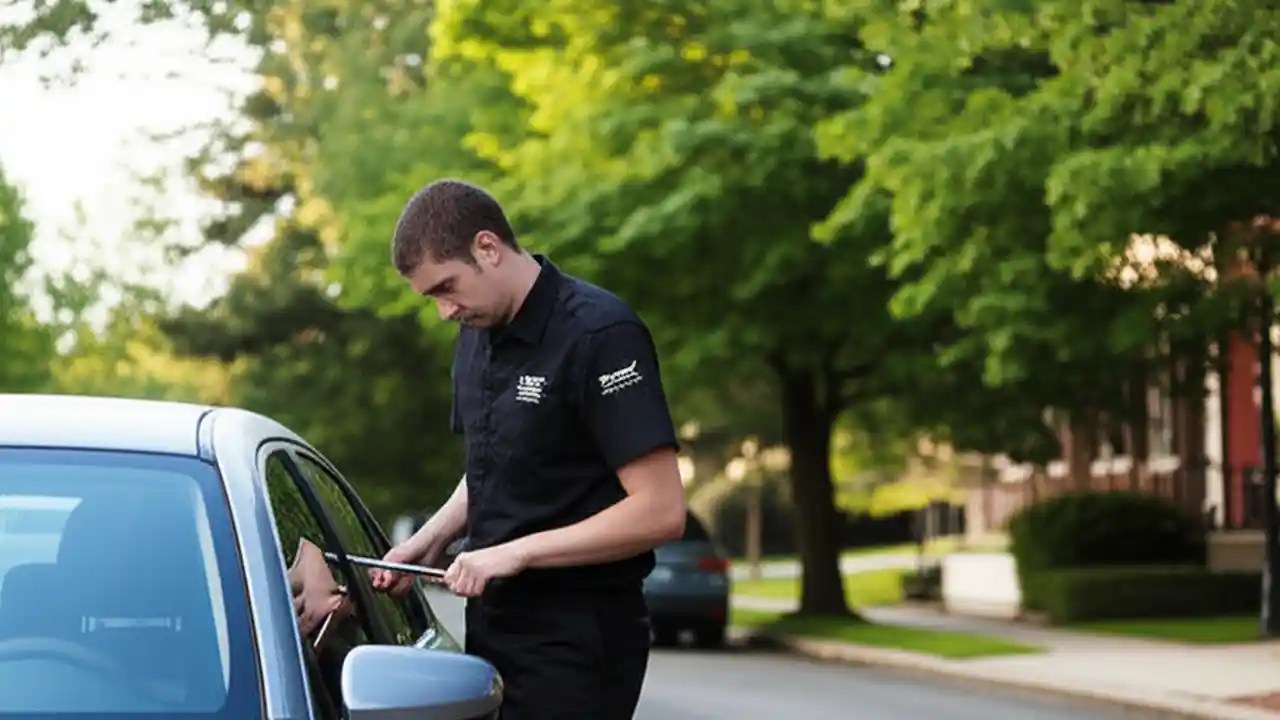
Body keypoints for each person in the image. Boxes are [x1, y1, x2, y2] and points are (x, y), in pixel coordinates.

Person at [370, 179, 687, 719]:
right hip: (495, 628)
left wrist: (514, 553)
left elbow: (660, 510)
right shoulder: (474, 338)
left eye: (447, 287)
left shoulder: (600, 333)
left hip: (580, 637)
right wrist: (427, 541)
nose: (445, 311)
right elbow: (491, 469)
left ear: (488, 248)